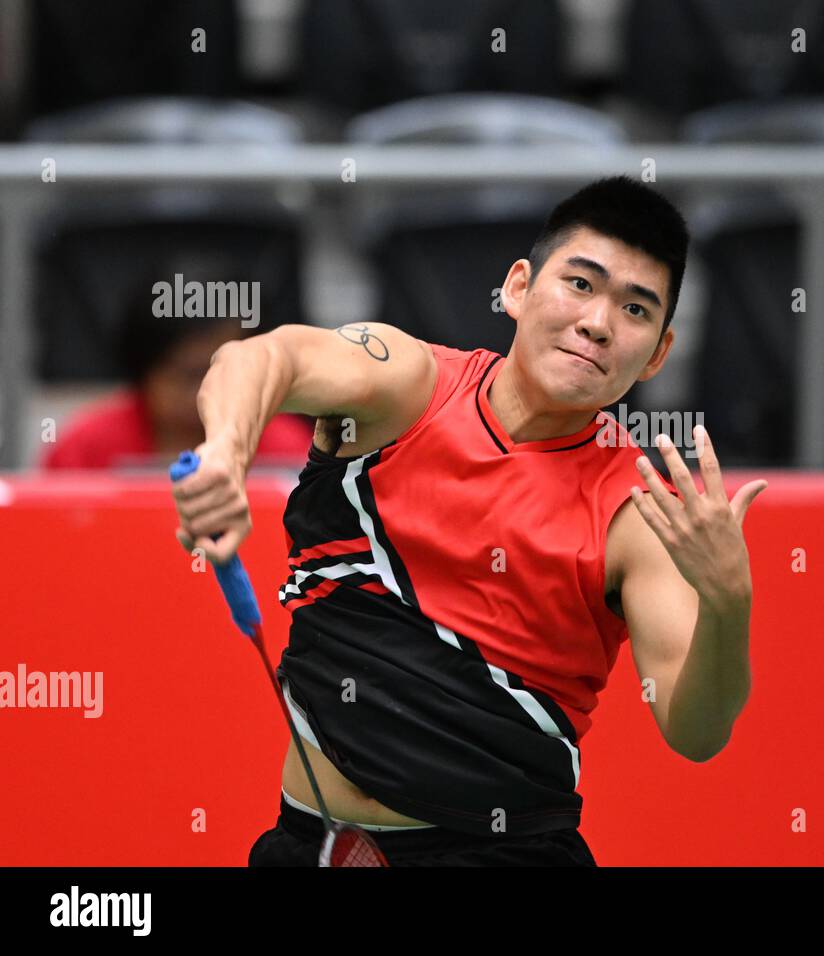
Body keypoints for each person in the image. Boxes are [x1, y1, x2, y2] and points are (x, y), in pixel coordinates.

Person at [170, 176, 767, 866]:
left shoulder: (636, 512)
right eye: (580, 284)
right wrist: (225, 453)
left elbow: (697, 733)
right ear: (518, 288)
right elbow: (259, 358)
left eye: (636, 309)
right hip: (315, 845)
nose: (599, 323)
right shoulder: (406, 389)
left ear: (658, 352)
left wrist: (729, 604)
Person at [40, 293, 313, 471]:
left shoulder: (291, 450)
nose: (209, 389)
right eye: (190, 374)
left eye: (227, 370)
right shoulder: (82, 449)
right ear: (144, 371)